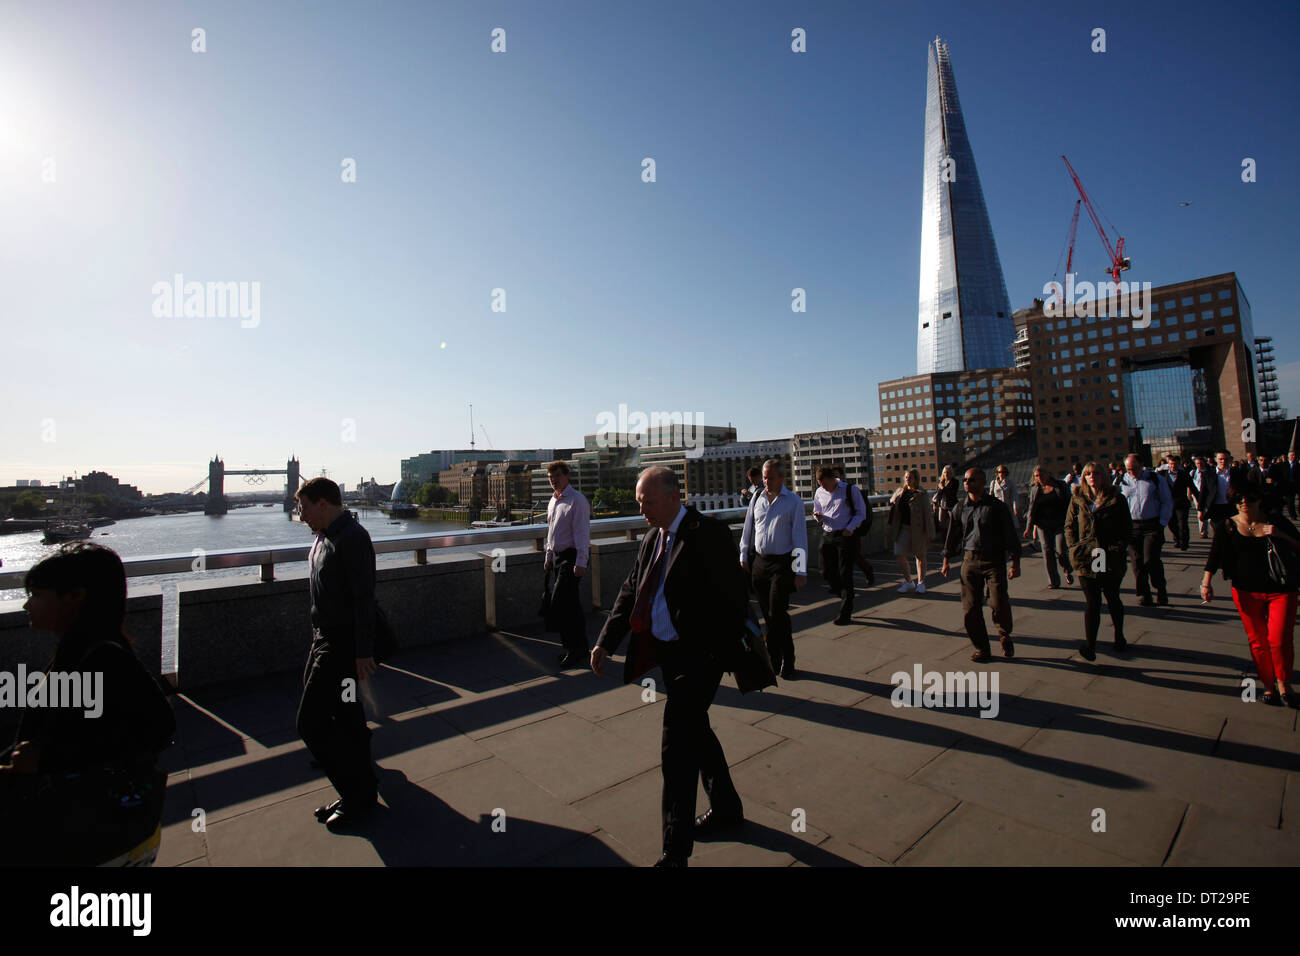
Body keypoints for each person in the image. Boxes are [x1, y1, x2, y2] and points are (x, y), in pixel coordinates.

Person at [592, 466, 748, 866]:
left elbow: (734, 598)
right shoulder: (650, 539)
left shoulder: (708, 535)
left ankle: (674, 852)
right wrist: (606, 643)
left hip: (700, 659)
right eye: (639, 502)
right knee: (698, 732)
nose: (641, 508)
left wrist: (713, 656)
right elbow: (631, 590)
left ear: (673, 497)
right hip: (668, 654)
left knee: (675, 747)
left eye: (647, 501)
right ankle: (728, 807)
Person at [2, 542, 175, 865]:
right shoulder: (80, 652)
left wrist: (47, 759)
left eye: (37, 594)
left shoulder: (103, 658)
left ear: (75, 596)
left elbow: (159, 728)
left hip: (88, 832)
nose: (27, 605)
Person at [295, 477, 380, 830]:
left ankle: (356, 794)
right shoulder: (324, 537)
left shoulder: (352, 538)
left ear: (322, 503)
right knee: (346, 718)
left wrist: (364, 652)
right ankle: (360, 790)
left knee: (310, 723)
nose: (301, 517)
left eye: (303, 509)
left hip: (341, 645)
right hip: (324, 639)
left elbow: (364, 599)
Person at [1200, 488, 1300, 707]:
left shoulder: (1276, 521)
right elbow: (1214, 556)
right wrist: (1206, 582)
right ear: (1234, 502)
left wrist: (1278, 534)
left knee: (1280, 639)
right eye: (1239, 499)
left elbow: (1297, 544)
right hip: (1246, 590)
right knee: (1258, 641)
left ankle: (1284, 683)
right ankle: (1268, 685)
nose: (1244, 502)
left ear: (1260, 500)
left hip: (1281, 590)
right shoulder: (1226, 526)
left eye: (1250, 498)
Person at [940, 468, 1021, 662]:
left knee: (998, 602)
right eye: (966, 480)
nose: (967, 483)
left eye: (972, 480)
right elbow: (953, 535)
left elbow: (1010, 535)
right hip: (970, 560)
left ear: (983, 482)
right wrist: (946, 560)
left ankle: (1004, 633)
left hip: (993, 560)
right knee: (970, 608)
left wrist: (1015, 562)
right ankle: (982, 648)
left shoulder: (996, 507)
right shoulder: (960, 507)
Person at [739, 458, 807, 678]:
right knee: (767, 616)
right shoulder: (757, 497)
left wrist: (801, 569)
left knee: (778, 612)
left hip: (782, 563)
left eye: (769, 478)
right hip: (760, 562)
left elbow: (799, 536)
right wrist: (744, 554)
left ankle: (787, 658)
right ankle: (775, 658)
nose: (765, 481)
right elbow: (748, 527)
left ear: (781, 478)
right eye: (764, 477)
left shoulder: (793, 501)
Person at [1064, 463, 1132, 661]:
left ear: (1103, 476)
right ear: (1083, 478)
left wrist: (1117, 549)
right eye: (1088, 474)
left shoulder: (1116, 499)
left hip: (1107, 554)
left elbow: (1126, 527)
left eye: (1096, 474)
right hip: (1087, 555)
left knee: (1112, 597)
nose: (1092, 477)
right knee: (1092, 602)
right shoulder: (1077, 499)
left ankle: (1119, 635)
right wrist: (1073, 547)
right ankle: (1091, 645)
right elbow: (1069, 525)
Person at [543, 460, 591, 668]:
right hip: (557, 558)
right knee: (571, 605)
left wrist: (581, 561)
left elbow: (582, 533)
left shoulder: (577, 501)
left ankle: (575, 648)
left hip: (571, 558)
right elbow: (551, 532)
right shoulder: (553, 501)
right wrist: (548, 557)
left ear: (567, 476)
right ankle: (576, 648)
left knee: (561, 603)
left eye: (558, 477)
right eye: (551, 478)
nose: (554, 481)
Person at [1117, 454, 1173, 606]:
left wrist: (1162, 522)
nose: (1131, 472)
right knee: (1137, 562)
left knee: (1151, 560)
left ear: (1142, 464)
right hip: (1132, 526)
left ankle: (1160, 589)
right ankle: (1144, 593)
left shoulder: (1155, 479)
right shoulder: (1122, 481)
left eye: (1134, 469)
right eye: (1128, 469)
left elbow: (1167, 501)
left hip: (1152, 525)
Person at [814, 465, 867, 624]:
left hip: (845, 534)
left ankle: (845, 611)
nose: (823, 487)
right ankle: (842, 592)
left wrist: (850, 528)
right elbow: (817, 509)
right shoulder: (819, 492)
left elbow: (861, 512)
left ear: (832, 479)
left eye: (824, 484)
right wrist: (818, 516)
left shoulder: (850, 490)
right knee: (825, 570)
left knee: (845, 573)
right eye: (820, 484)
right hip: (828, 533)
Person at [1024, 465, 1073, 588]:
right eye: (1036, 476)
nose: (1039, 478)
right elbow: (1031, 508)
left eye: (1041, 475)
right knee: (1047, 552)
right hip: (1043, 525)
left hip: (1060, 523)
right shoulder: (1036, 489)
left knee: (1061, 550)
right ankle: (1054, 581)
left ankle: (1067, 569)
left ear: (1048, 474)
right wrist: (1028, 527)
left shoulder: (1060, 486)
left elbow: (1070, 503)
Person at [887, 468, 935, 594]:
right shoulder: (900, 491)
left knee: (920, 555)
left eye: (910, 477)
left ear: (916, 479)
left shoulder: (921, 494)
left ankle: (921, 582)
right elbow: (891, 501)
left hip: (918, 529)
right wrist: (894, 499)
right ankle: (908, 581)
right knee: (899, 553)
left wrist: (930, 533)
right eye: (906, 477)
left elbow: (928, 514)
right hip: (903, 528)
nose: (908, 479)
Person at [835, 466, 875, 586]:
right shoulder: (829, 492)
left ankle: (867, 570)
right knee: (841, 556)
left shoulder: (850, 490)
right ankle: (844, 581)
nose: (834, 479)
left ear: (841, 477)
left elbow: (860, 511)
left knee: (853, 555)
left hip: (852, 529)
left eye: (836, 476)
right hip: (837, 530)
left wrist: (853, 526)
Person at [1163, 454, 1195, 552]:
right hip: (1168, 504)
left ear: (1179, 464)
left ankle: (1184, 542)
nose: (1173, 466)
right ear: (1168, 464)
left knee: (1182, 524)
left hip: (1181, 503)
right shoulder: (1162, 475)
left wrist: (1200, 502)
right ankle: (1177, 538)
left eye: (1175, 464)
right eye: (1171, 464)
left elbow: (1193, 488)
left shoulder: (1184, 474)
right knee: (1172, 524)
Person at [990, 466, 1022, 534]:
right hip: (997, 507)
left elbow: (1014, 495)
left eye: (1003, 472)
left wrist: (1015, 507)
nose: (1001, 474)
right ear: (997, 473)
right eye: (999, 472)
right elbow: (991, 496)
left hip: (1008, 507)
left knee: (1010, 526)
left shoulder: (1010, 482)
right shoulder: (993, 483)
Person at [933, 465, 960, 536]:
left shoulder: (955, 482)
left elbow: (951, 493)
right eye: (945, 472)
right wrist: (935, 503)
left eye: (948, 472)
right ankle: (944, 539)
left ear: (951, 473)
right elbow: (938, 494)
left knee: (953, 523)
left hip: (951, 505)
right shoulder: (941, 482)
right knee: (941, 524)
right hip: (942, 505)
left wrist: (943, 488)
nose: (946, 474)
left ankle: (952, 538)